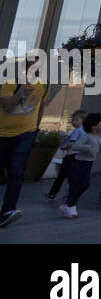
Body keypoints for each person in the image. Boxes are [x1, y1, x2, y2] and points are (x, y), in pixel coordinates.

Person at [0, 54, 48, 228]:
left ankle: (7, 211)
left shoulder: (43, 84)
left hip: (26, 134)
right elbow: (9, 104)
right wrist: (23, 85)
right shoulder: (10, 83)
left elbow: (42, 105)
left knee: (16, 172)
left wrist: (36, 127)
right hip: (4, 134)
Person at [57, 114, 101, 220]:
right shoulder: (87, 136)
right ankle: (70, 205)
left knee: (78, 185)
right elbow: (76, 145)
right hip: (79, 163)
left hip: (88, 164)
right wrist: (88, 148)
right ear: (93, 126)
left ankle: (69, 205)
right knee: (84, 184)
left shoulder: (100, 137)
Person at [46, 109, 88, 201]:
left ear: (83, 120)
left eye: (76, 120)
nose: (74, 122)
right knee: (72, 177)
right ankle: (70, 193)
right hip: (79, 156)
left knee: (61, 176)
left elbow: (71, 143)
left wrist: (64, 147)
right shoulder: (86, 131)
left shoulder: (77, 131)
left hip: (70, 156)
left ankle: (53, 193)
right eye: (73, 120)